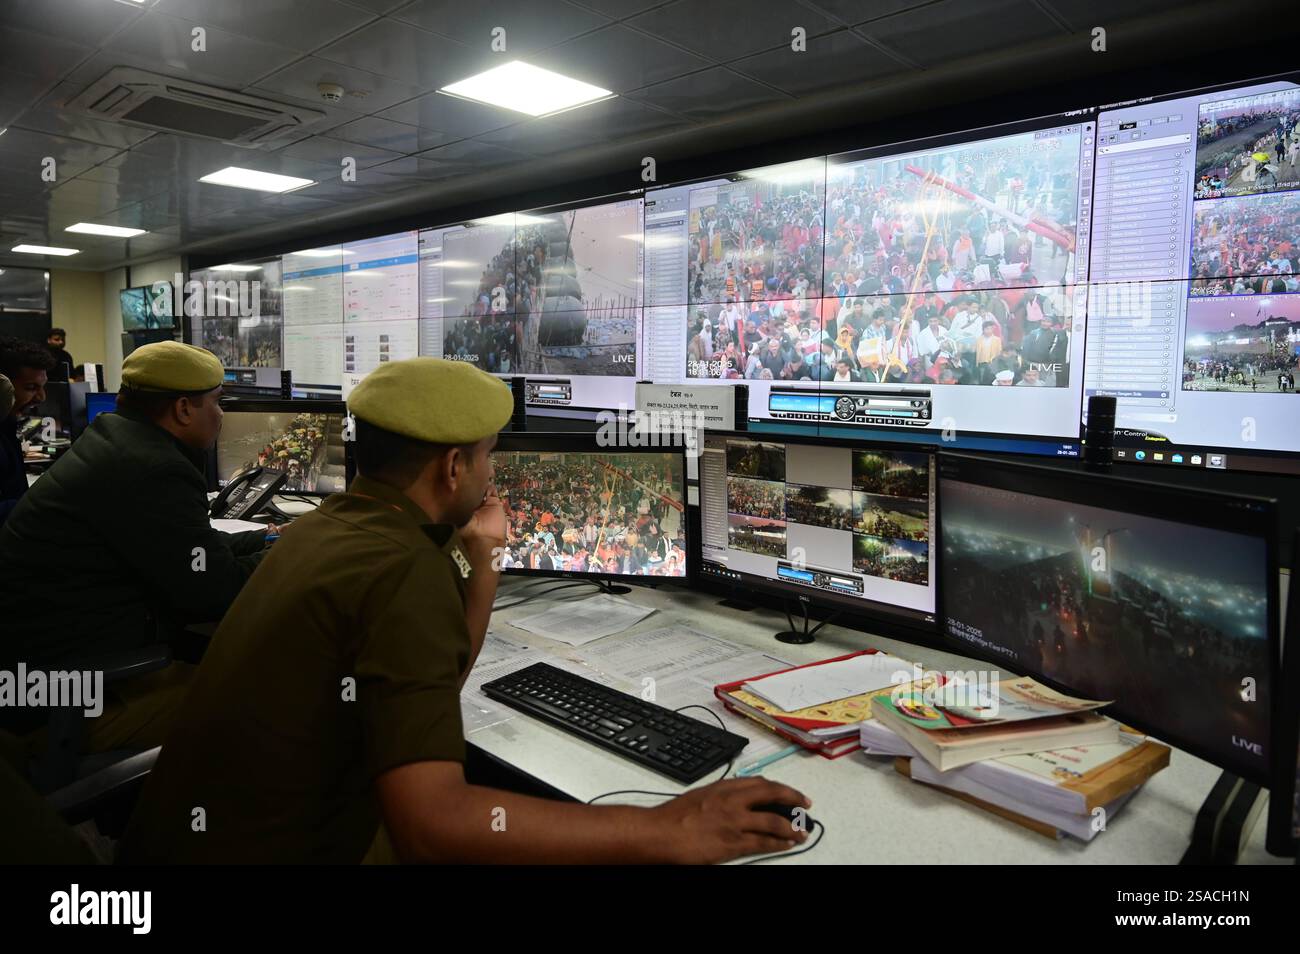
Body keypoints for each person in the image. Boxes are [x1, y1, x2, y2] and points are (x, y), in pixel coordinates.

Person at [119, 358, 809, 865]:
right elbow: (435, 824)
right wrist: (672, 827)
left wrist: (481, 562)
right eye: (486, 458)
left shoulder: (328, 527)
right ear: (452, 467)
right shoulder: (401, 571)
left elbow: (426, 690)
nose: (490, 475)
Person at [0, 341, 274, 752]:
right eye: (217, 402)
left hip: (39, 675)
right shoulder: (153, 468)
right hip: (64, 701)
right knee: (268, 696)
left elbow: (185, 548)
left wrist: (266, 537)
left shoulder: (112, 440)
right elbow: (215, 593)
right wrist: (292, 553)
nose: (221, 414)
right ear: (183, 409)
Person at [0, 337, 53, 526]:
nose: (41, 397)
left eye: (42, 387)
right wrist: (45, 500)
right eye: (31, 388)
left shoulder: (7, 425)